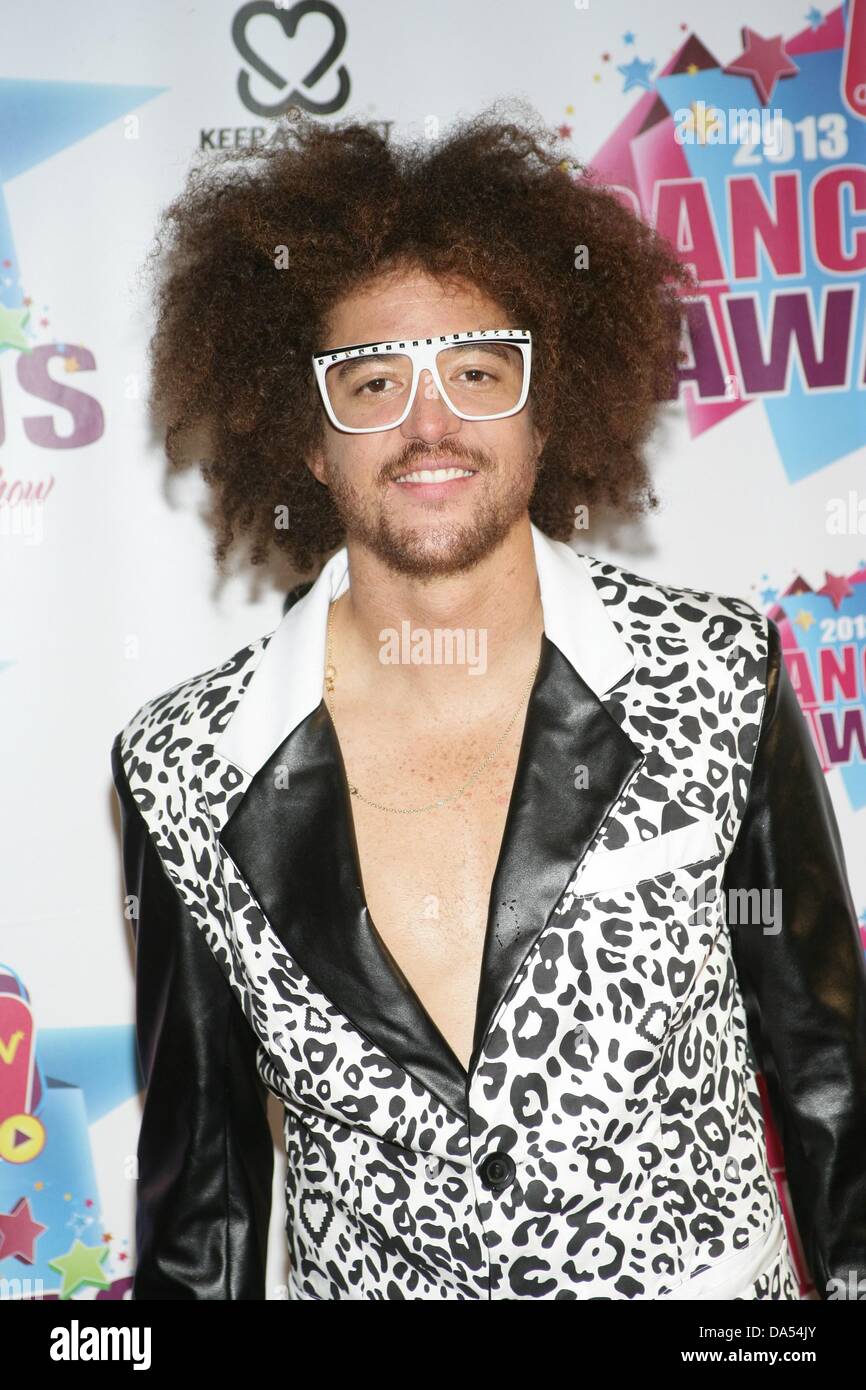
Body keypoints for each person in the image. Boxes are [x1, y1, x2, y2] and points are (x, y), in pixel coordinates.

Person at [111, 103, 866, 1300]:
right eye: (368, 381)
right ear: (306, 437)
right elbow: (201, 1202)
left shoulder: (716, 673)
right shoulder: (182, 766)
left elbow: (831, 1082)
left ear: (541, 404)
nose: (428, 425)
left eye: (475, 370)